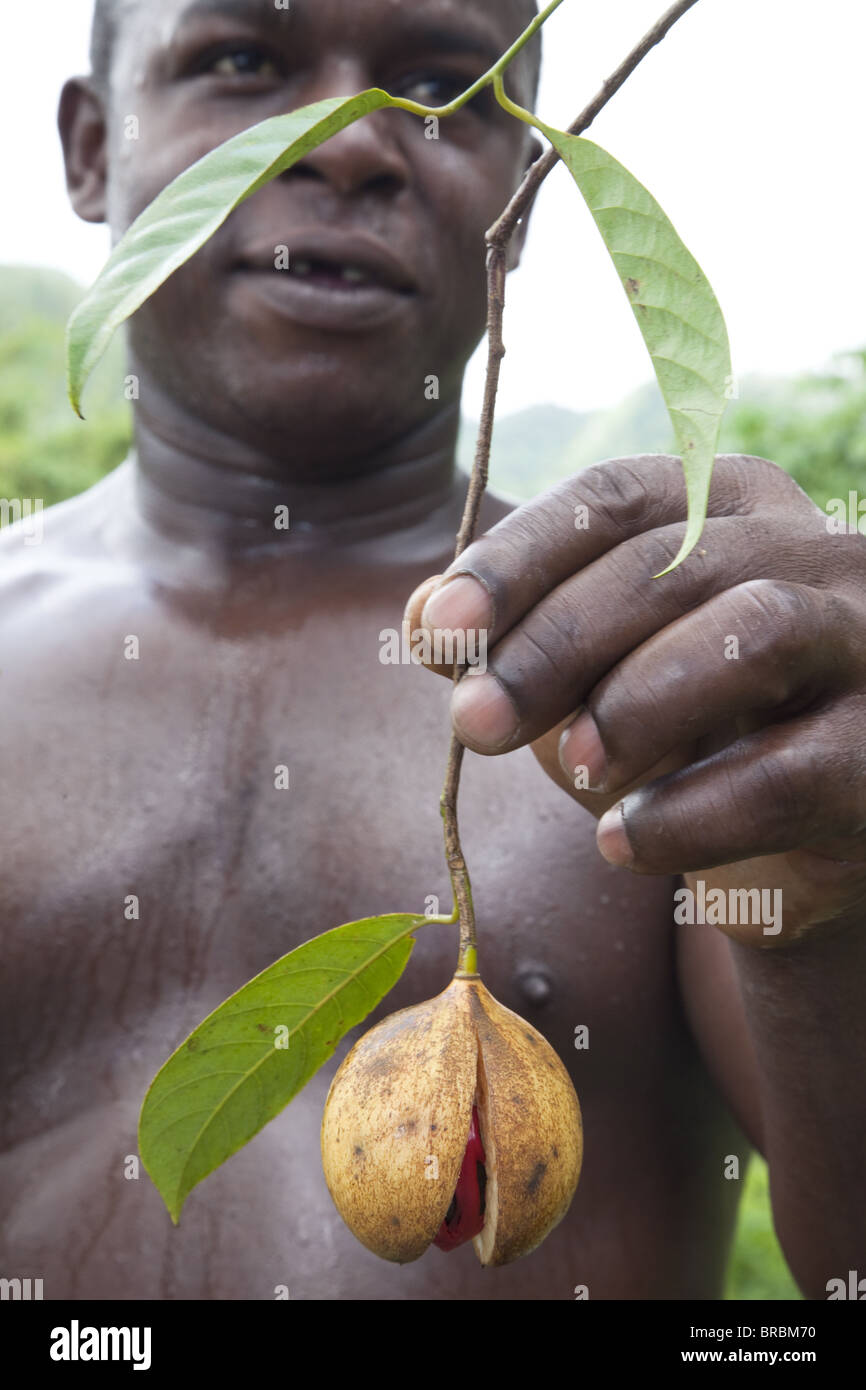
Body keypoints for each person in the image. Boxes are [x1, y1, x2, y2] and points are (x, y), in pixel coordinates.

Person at [2, 0, 864, 1302]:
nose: (351, 143)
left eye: (442, 84)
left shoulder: (664, 672)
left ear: (526, 181)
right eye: (242, 60)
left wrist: (833, 898)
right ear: (88, 145)